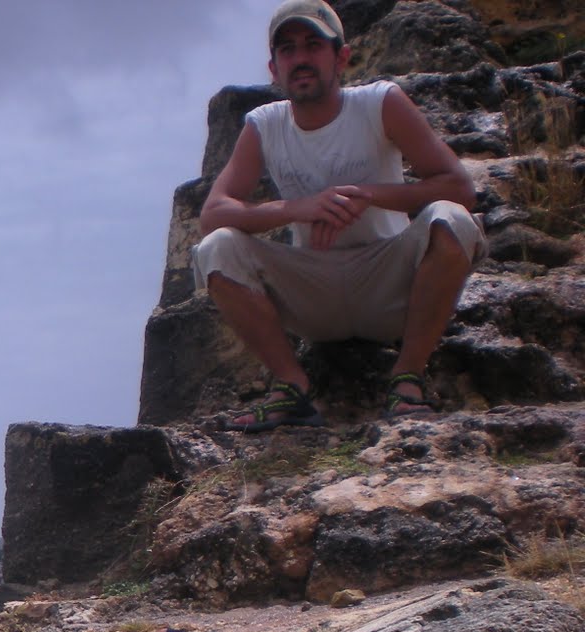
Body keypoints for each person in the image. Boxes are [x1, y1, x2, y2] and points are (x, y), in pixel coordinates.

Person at [194, 0, 486, 431]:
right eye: (288, 49)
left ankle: (407, 377)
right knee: (216, 248)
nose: (301, 58)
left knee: (453, 219)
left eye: (314, 45)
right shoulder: (264, 125)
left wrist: (369, 195)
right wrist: (298, 207)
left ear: (342, 57)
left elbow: (459, 188)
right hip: (315, 294)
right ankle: (292, 384)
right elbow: (213, 214)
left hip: (388, 283)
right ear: (274, 69)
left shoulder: (379, 103)